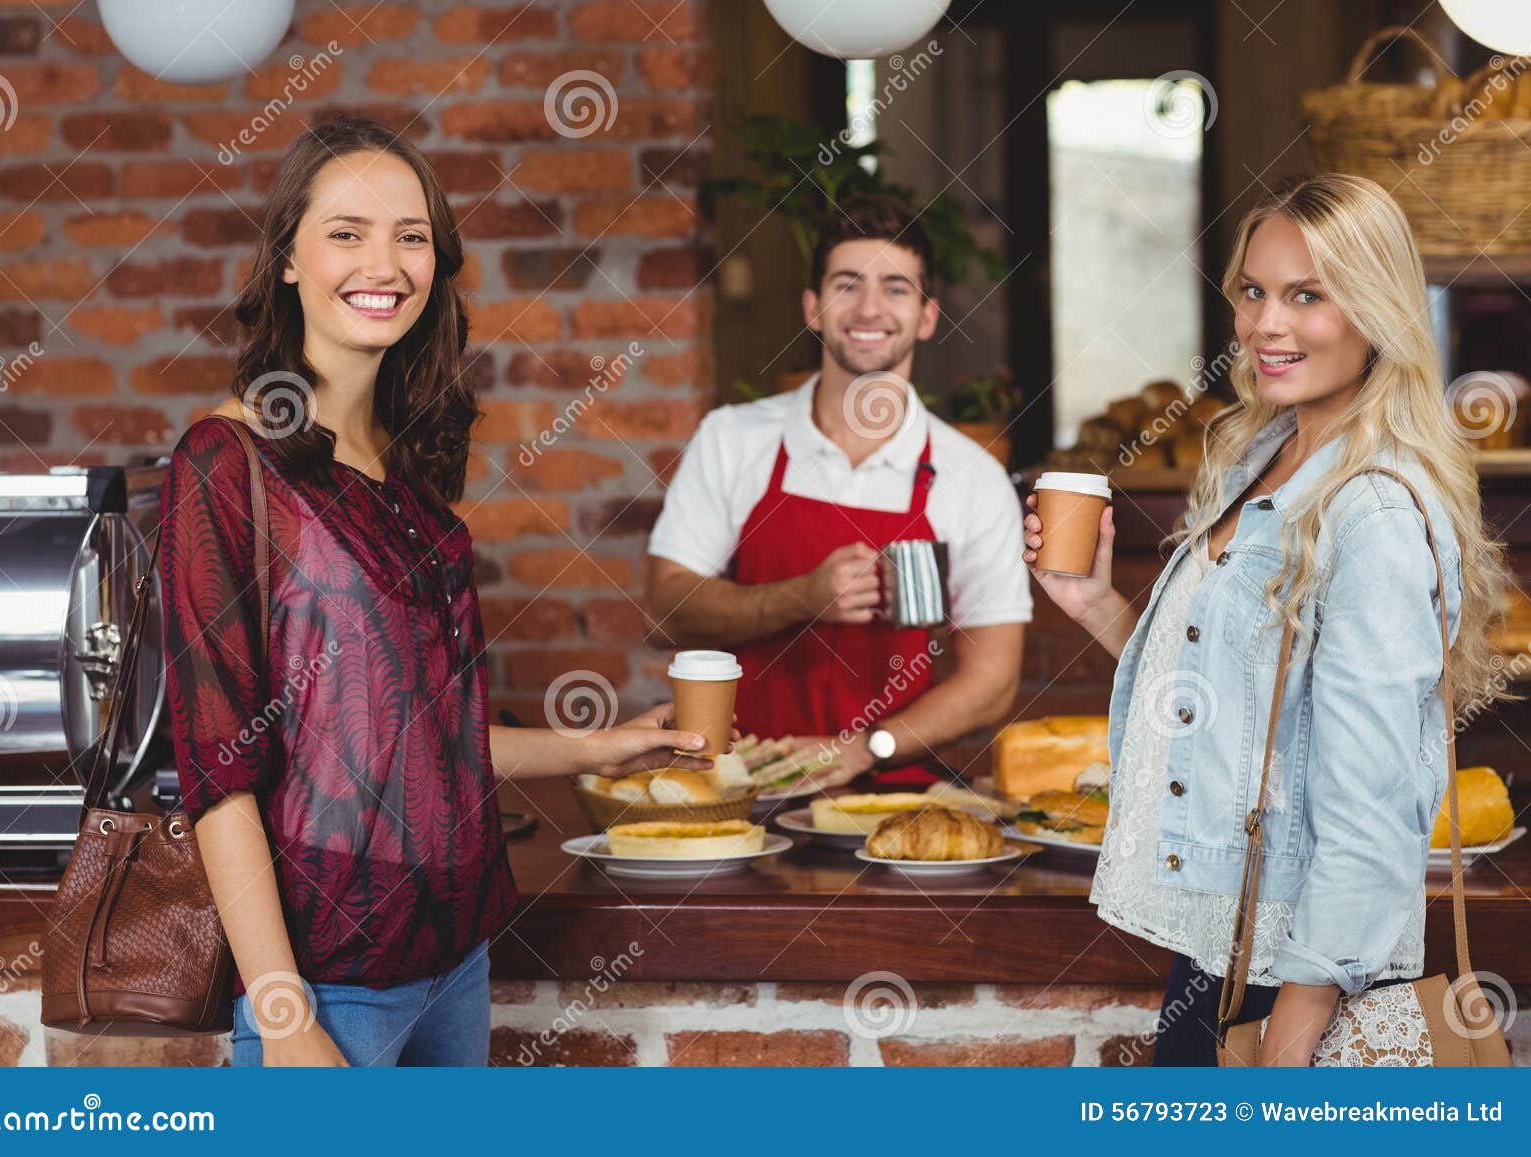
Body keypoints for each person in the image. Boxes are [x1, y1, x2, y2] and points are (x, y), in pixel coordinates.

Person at [159, 116, 718, 1068]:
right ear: (286, 260)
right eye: (346, 232)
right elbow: (221, 775)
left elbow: (415, 730)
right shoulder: (228, 461)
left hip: (457, 958)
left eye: (411, 235)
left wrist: (598, 746)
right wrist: (286, 1014)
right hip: (332, 977)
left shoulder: (402, 470)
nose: (385, 261)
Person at [1023, 173, 1511, 1065]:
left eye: (1307, 296)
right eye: (1252, 291)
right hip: (1226, 952)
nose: (1265, 325)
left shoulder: (1374, 514)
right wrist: (1093, 601)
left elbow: (1368, 809)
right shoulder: (1263, 452)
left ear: (1376, 312)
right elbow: (1233, 695)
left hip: (1293, 976)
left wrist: (1286, 1047)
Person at [646, 195, 1031, 785]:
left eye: (896, 288)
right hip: (739, 786)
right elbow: (671, 605)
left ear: (927, 316)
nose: (869, 307)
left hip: (890, 802)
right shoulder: (734, 438)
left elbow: (993, 681)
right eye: (847, 285)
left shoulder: (971, 477)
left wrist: (862, 749)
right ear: (813, 308)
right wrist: (801, 596)